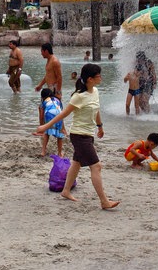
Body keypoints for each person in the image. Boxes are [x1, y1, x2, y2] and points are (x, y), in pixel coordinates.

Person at [36, 64, 119, 210]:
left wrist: (100, 126)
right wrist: (45, 126)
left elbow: (96, 110)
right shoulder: (78, 97)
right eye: (99, 75)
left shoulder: (95, 91)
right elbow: (63, 114)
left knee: (76, 163)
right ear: (90, 79)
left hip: (88, 134)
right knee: (96, 166)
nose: (101, 78)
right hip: (79, 136)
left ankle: (66, 191)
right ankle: (104, 201)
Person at [37, 88, 66, 157]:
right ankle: (59, 153)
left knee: (46, 133)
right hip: (59, 115)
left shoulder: (43, 102)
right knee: (60, 135)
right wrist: (63, 128)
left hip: (49, 113)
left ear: (42, 96)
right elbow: (61, 112)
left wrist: (42, 127)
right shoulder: (57, 100)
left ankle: (43, 152)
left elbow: (41, 116)